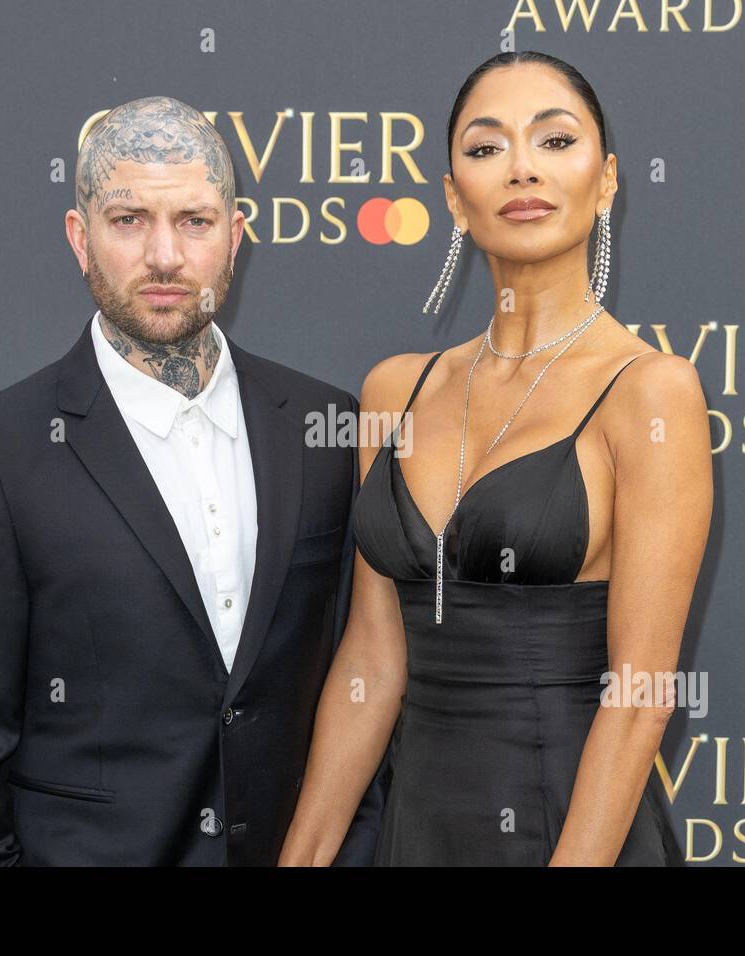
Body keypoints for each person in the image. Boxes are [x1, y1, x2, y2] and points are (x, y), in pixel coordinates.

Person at [0, 96, 386, 865]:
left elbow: (368, 676)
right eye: (128, 220)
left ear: (235, 237)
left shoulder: (325, 427)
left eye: (195, 220)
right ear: (79, 238)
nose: (165, 256)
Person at [280, 52, 713, 866]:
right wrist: (302, 855)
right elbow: (373, 658)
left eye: (555, 141)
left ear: (608, 177)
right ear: (452, 194)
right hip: (421, 828)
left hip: (574, 829)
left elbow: (641, 697)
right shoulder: (394, 391)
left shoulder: (650, 391)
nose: (522, 169)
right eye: (486, 150)